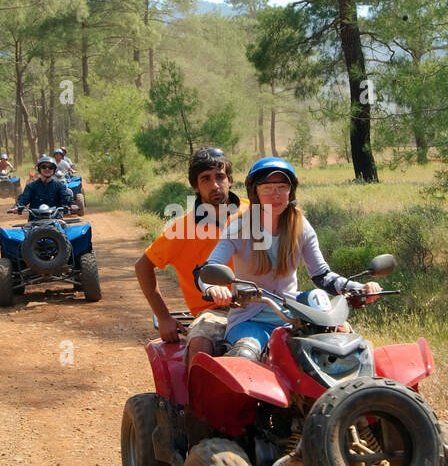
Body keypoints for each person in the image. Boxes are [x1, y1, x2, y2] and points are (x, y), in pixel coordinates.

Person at [203, 157, 380, 362]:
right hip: (250, 319)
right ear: (255, 192)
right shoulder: (238, 227)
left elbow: (322, 276)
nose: (275, 195)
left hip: (296, 318)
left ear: (291, 191)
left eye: (282, 187)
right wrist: (211, 288)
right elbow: (207, 270)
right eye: (267, 188)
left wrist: (361, 288)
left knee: (345, 352)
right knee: (245, 355)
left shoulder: (300, 225)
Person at [135, 148, 246, 367]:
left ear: (230, 180)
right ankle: (196, 401)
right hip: (215, 312)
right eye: (206, 179)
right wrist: (164, 316)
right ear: (196, 186)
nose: (215, 185)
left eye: (220, 177)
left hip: (261, 303)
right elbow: (143, 266)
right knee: (199, 344)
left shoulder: (254, 213)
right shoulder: (182, 228)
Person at [13, 155, 77, 213]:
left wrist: (72, 204)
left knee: (63, 225)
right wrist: (17, 206)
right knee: (26, 226)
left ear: (54, 170)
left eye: (50, 167)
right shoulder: (31, 186)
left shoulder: (59, 186)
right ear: (39, 169)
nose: (47, 169)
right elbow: (24, 199)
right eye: (44, 167)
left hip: (56, 219)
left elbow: (66, 197)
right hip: (35, 220)